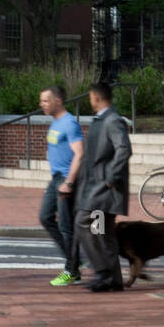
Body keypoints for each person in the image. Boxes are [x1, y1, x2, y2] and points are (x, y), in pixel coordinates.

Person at [74, 81, 131, 292]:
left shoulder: (112, 121)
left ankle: (103, 272)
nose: (90, 101)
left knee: (84, 223)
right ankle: (113, 279)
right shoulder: (104, 120)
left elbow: (123, 149)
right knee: (103, 233)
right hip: (98, 188)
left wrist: (110, 177)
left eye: (90, 97)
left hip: (103, 191)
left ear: (96, 98)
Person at [38, 86, 84, 286]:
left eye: (46, 101)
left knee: (66, 227)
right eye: (42, 101)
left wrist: (69, 182)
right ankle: (74, 262)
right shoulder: (56, 123)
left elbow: (80, 153)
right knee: (45, 217)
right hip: (56, 178)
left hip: (66, 180)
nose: (42, 104)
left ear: (58, 101)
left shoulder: (69, 123)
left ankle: (71, 270)